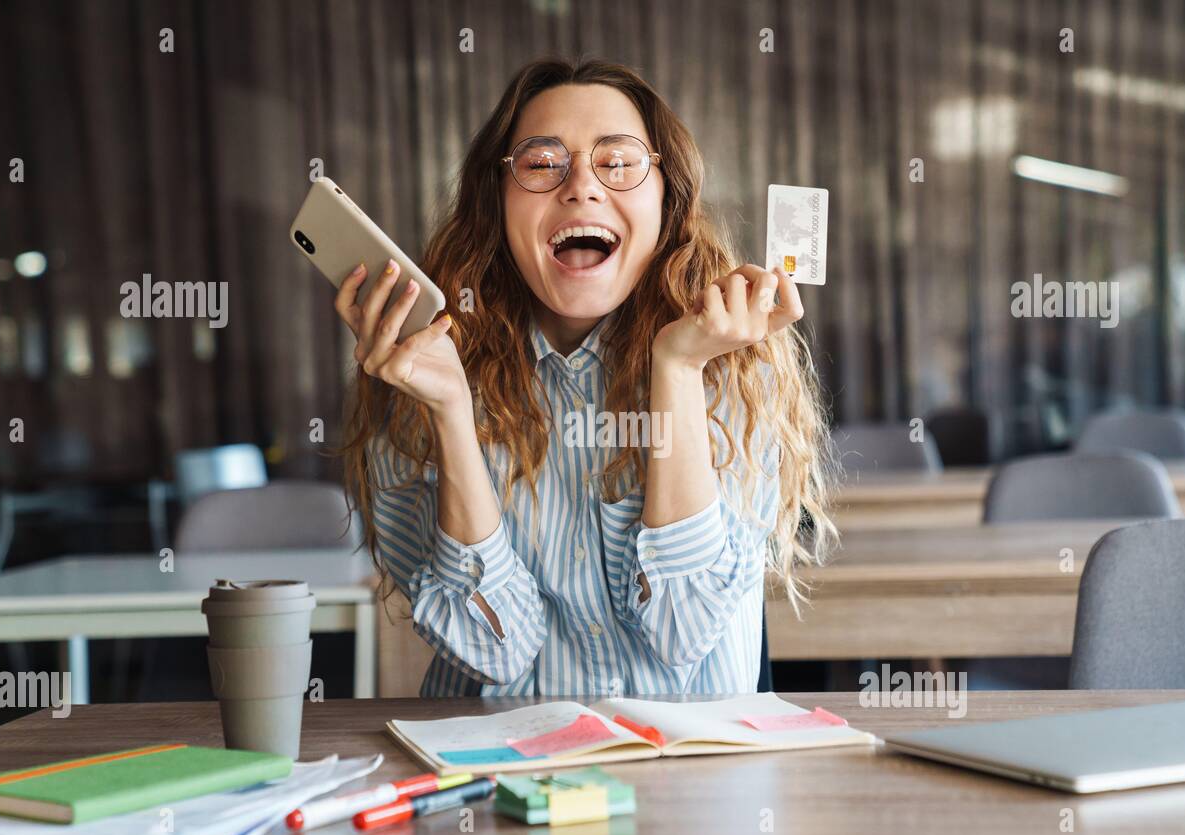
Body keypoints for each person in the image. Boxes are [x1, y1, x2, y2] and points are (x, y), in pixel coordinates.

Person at [339, 57, 835, 696]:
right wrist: (450, 412)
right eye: (542, 163)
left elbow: (684, 630)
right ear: (497, 201)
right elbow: (494, 654)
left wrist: (678, 368)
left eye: (619, 161)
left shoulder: (737, 360)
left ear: (667, 197)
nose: (581, 186)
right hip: (507, 773)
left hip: (689, 778)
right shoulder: (416, 369)